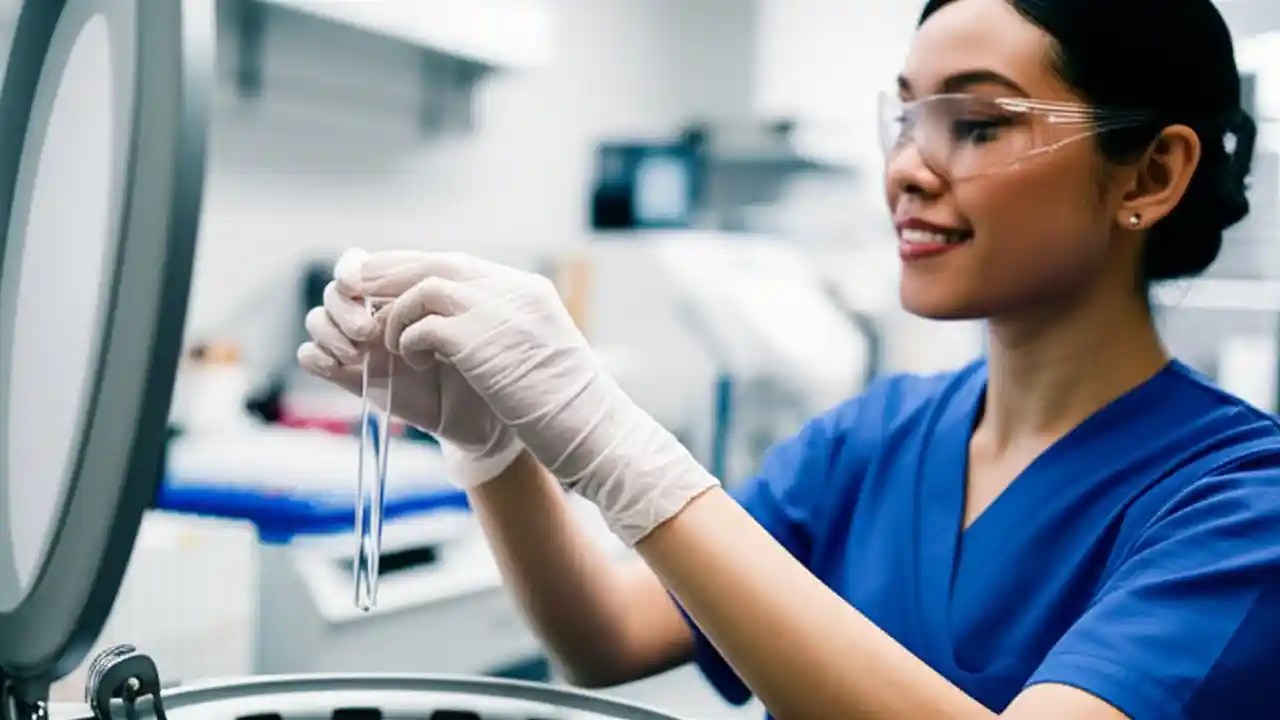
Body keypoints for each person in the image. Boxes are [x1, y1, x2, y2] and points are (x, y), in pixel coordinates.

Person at [298, 0, 1280, 716]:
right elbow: (604, 636)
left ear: (1148, 173)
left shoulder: (1238, 501)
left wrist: (617, 447)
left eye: (975, 124)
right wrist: (490, 440)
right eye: (905, 118)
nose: (907, 166)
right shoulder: (874, 435)